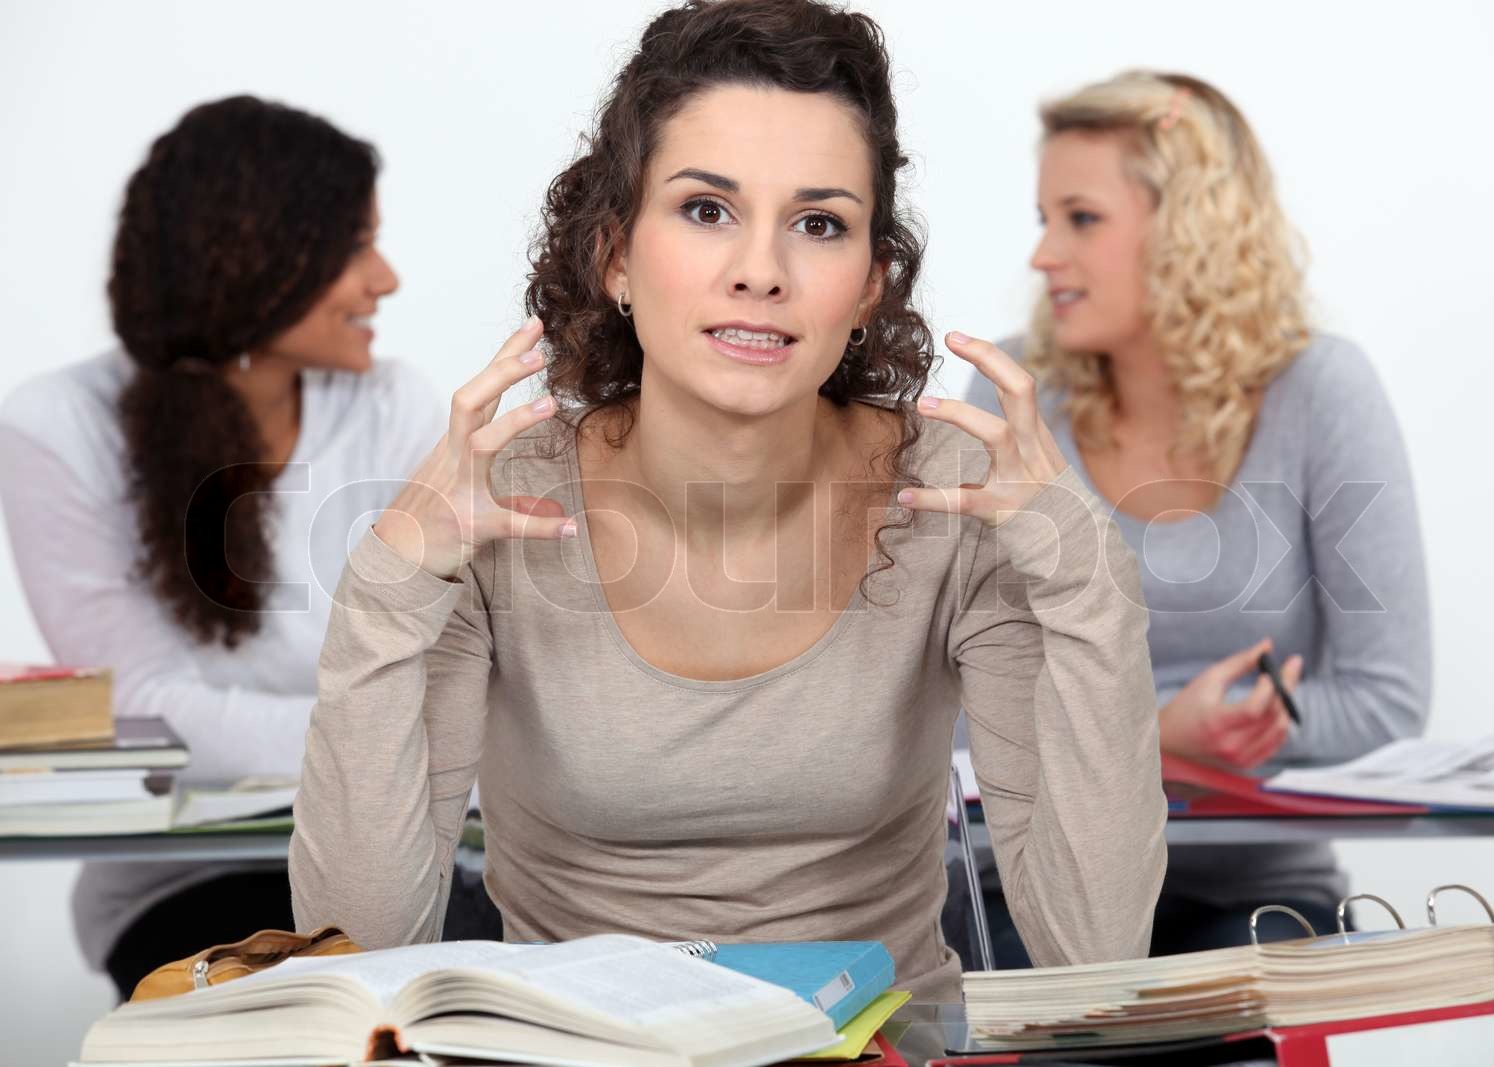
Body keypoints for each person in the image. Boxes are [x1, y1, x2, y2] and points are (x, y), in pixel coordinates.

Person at [289, 0, 1167, 1000]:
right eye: (706, 209)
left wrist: (1082, 564)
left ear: (871, 280)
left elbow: (1092, 954)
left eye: (818, 224)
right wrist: (390, 582)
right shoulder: (496, 506)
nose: (760, 272)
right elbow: (356, 950)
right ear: (615, 255)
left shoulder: (956, 500)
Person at [0, 95, 475, 999]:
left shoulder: (394, 406)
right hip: (192, 877)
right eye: (353, 246)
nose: (385, 279)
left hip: (397, 851)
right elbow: (142, 707)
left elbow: (456, 668)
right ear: (250, 264)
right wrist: (386, 737)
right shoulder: (56, 428)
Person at [967, 71, 1431, 956]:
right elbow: (954, 709)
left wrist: (1227, 733)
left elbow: (1387, 701)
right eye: (1043, 220)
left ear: (1189, 231)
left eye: (1082, 218)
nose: (1043, 255)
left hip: (1258, 901)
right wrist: (1154, 738)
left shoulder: (1321, 391)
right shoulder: (1016, 396)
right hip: (1028, 896)